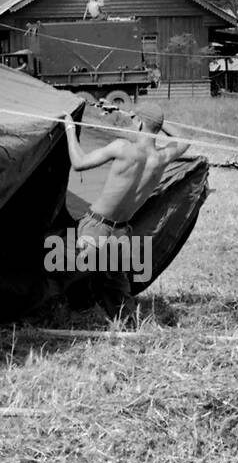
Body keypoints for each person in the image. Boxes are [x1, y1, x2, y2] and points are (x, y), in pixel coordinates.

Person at [63, 102, 190, 320]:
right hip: (120, 233)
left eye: (134, 120)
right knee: (117, 294)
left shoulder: (122, 147)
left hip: (95, 226)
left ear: (139, 123)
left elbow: (79, 162)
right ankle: (120, 326)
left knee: (63, 270)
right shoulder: (161, 158)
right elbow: (185, 139)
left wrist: (69, 128)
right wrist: (157, 123)